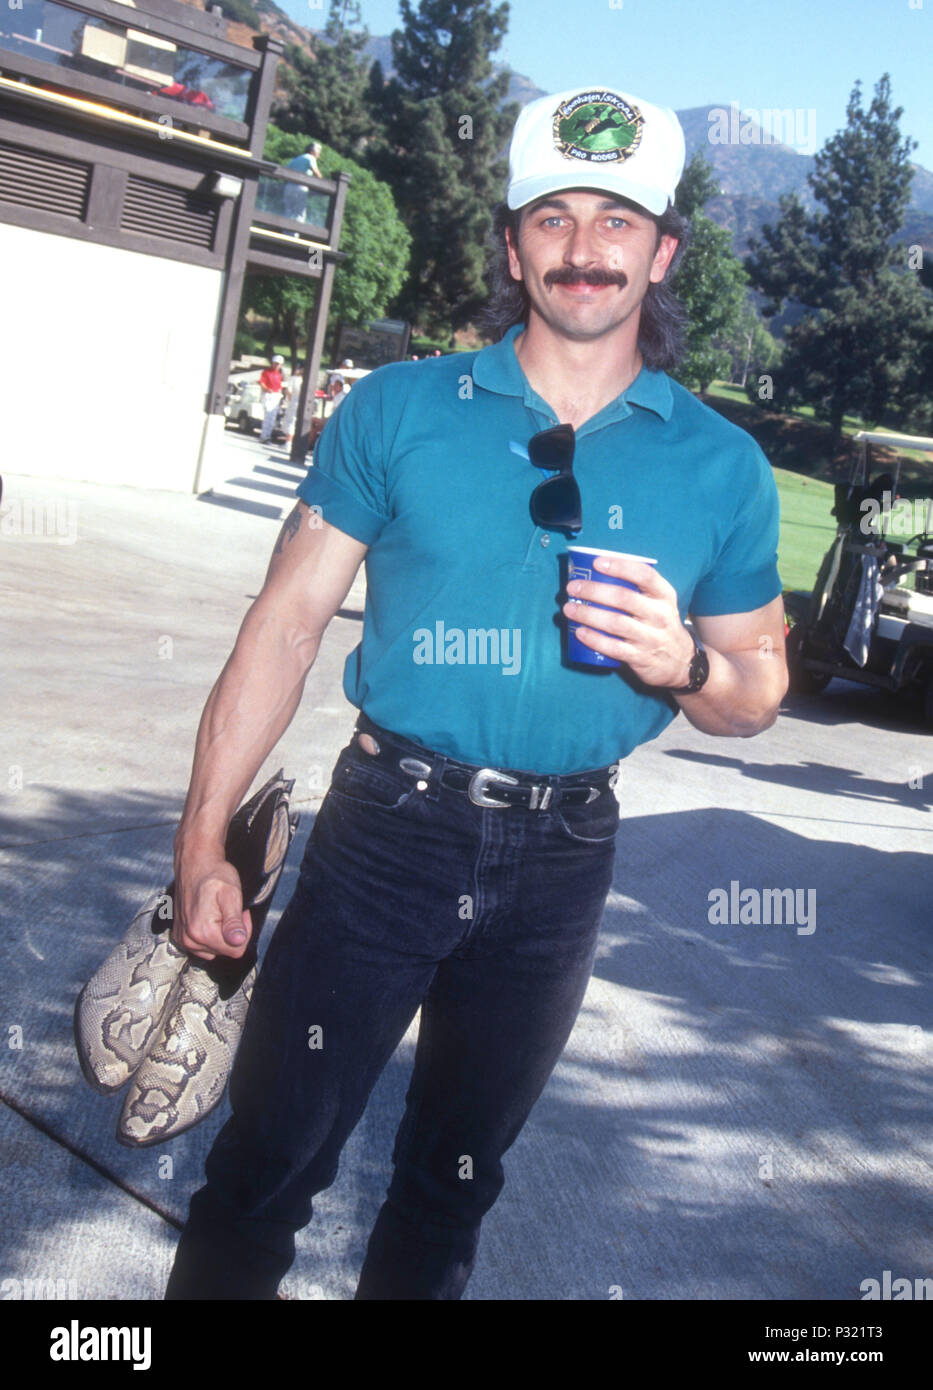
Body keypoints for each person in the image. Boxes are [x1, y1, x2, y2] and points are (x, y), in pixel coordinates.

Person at [165, 84, 787, 1301]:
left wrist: (687, 665)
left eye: (618, 222)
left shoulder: (724, 464)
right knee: (266, 1163)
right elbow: (285, 626)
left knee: (452, 1185)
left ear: (662, 254)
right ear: (512, 245)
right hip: (384, 832)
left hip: (563, 859)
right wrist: (201, 835)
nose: (584, 250)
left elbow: (758, 688)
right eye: (553, 218)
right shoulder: (398, 410)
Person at [307, 372, 347, 452]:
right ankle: (310, 444)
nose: (333, 387)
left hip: (335, 421)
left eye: (336, 385)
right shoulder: (338, 396)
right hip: (333, 419)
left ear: (340, 386)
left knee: (312, 421)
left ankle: (308, 445)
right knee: (314, 424)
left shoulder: (340, 397)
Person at [285, 141, 322, 222]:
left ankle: (286, 233)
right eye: (318, 151)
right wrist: (322, 182)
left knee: (289, 211)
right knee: (299, 213)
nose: (319, 154)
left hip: (288, 187)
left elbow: (286, 169)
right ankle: (294, 234)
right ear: (313, 151)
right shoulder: (310, 157)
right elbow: (315, 171)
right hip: (300, 187)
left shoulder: (296, 158)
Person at [258, 355, 284, 443]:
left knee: (272, 418)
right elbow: (261, 383)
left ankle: (268, 435)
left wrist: (280, 395)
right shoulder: (266, 372)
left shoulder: (279, 375)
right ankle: (264, 436)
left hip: (276, 396)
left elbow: (279, 386)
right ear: (272, 363)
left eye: (279, 364)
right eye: (276, 363)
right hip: (268, 395)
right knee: (267, 417)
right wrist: (267, 389)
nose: (277, 365)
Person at [281, 361, 305, 449]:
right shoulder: (307, 380)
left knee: (290, 421)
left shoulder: (294, 378)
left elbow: (288, 391)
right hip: (303, 403)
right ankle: (292, 442)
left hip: (294, 402)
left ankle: (288, 442)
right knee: (296, 422)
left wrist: (290, 400)